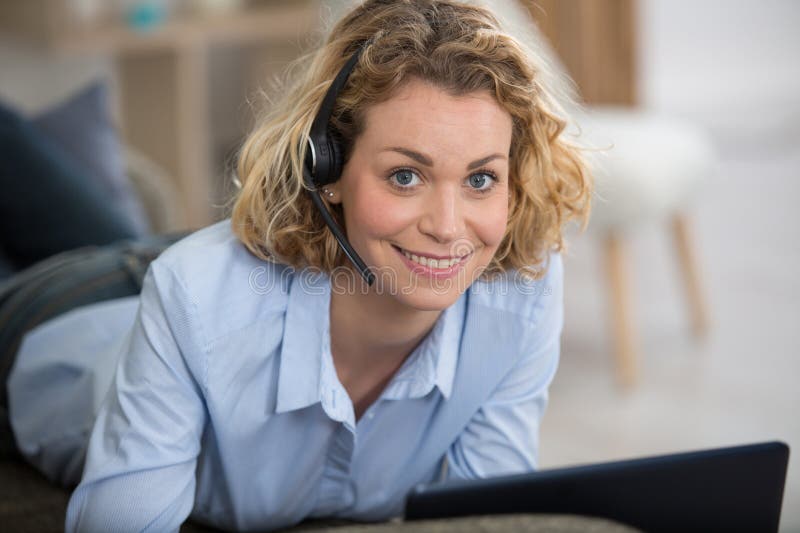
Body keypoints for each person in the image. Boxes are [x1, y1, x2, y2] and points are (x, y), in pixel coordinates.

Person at [7, 0, 592, 530]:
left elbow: (487, 516)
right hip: (71, 314)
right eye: (405, 176)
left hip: (234, 274)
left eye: (481, 178)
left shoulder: (522, 293)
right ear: (326, 170)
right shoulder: (195, 295)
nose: (447, 225)